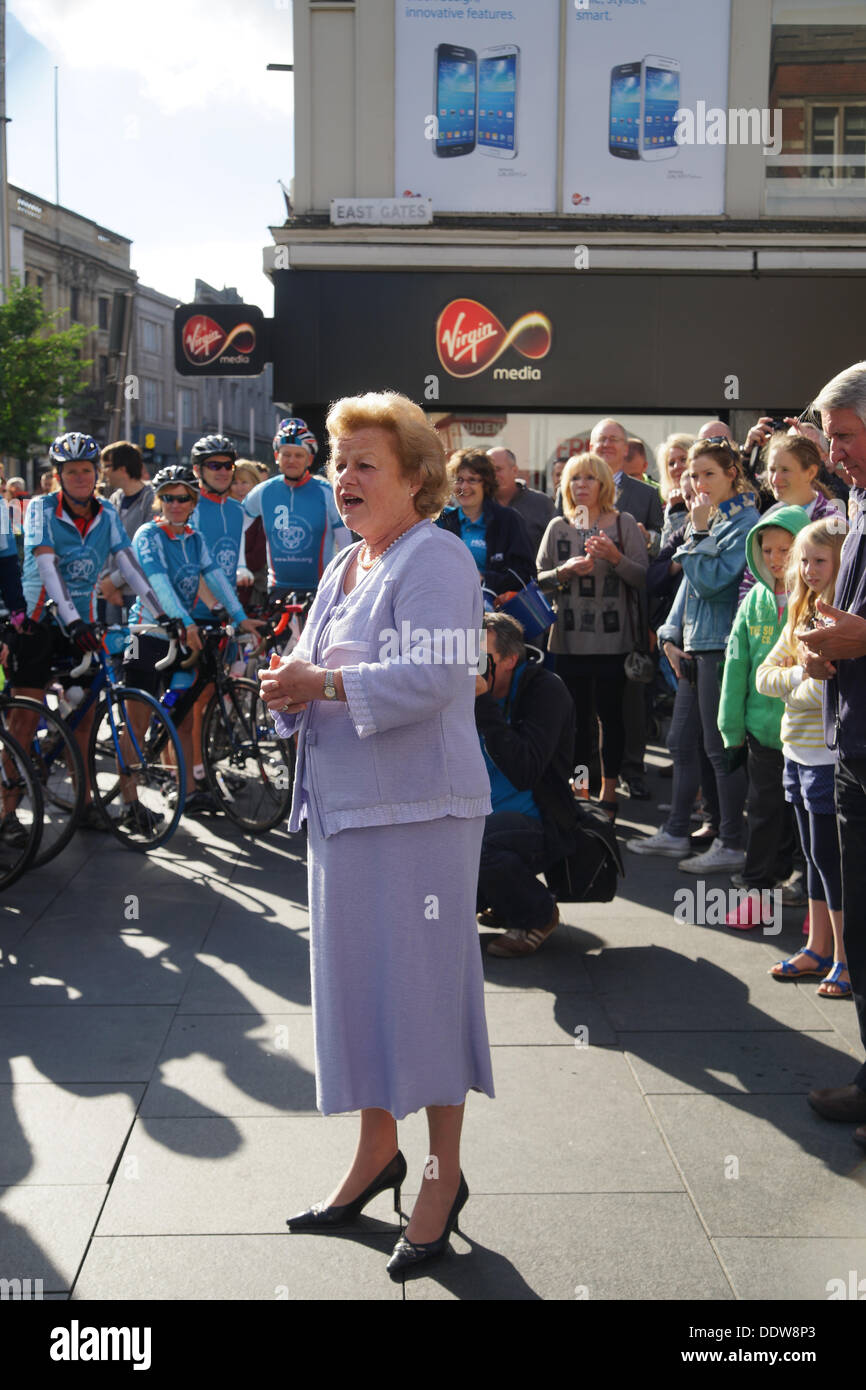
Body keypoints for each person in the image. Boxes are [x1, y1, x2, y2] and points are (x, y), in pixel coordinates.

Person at [260, 390, 494, 1278]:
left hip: (420, 816)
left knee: (423, 998)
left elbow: (438, 676)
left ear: (413, 477)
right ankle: (373, 1159)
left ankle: (440, 1176)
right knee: (361, 994)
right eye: (338, 462)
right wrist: (292, 684)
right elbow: (324, 669)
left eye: (364, 464)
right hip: (348, 812)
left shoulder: (433, 557)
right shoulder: (348, 560)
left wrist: (317, 683)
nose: (343, 479)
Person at [7, 432, 175, 836]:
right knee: (23, 720)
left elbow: (129, 564)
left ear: (96, 472)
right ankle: (6, 811)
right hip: (38, 624)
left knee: (83, 718)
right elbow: (47, 570)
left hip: (79, 624)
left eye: (86, 470)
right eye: (71, 471)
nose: (80, 477)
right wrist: (74, 622)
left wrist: (164, 615)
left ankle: (84, 805)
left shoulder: (107, 513)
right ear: (58, 475)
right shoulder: (40, 510)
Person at [627, 438, 760, 871]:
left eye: (709, 475)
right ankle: (679, 832)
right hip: (694, 644)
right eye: (694, 475)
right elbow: (687, 586)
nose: (699, 483)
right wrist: (668, 635)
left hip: (720, 648)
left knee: (719, 749)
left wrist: (698, 531)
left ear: (731, 476)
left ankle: (733, 843)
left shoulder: (743, 522)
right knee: (681, 743)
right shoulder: (712, 518)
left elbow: (711, 582)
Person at [794, 361, 866, 1149]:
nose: (835, 454)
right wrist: (827, 651)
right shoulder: (855, 503)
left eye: (843, 437)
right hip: (851, 740)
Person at [124, 465, 260, 817]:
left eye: (183, 497)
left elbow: (215, 577)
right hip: (148, 633)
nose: (176, 504)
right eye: (168, 497)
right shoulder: (148, 535)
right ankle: (129, 801)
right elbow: (159, 584)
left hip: (180, 635)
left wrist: (240, 617)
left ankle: (186, 790)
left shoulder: (194, 538)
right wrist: (186, 622)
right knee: (136, 722)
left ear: (193, 500)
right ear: (159, 500)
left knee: (183, 717)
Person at [754, 519, 848, 994]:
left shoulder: (841, 617)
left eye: (820, 561)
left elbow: (826, 689)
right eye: (804, 561)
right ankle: (818, 945)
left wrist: (800, 679)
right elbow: (765, 675)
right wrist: (797, 676)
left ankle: (847, 958)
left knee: (833, 860)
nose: (810, 570)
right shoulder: (801, 609)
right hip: (796, 750)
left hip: (828, 757)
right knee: (811, 856)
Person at [536, 452, 648, 821]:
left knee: (610, 717)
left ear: (603, 485)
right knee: (576, 719)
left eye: (588, 478)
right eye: (574, 478)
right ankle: (580, 788)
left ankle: (609, 790)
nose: (580, 485)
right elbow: (540, 581)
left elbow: (643, 578)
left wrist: (615, 557)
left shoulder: (623, 523)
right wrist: (564, 571)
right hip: (568, 639)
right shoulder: (558, 527)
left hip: (612, 641)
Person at [718, 507, 811, 926]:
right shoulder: (754, 599)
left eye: (785, 549)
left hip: (809, 734)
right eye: (767, 549)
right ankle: (756, 893)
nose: (776, 558)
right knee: (763, 813)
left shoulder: (815, 598)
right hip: (763, 734)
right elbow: (736, 664)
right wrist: (731, 726)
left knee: (810, 820)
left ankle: (818, 901)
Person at [474, 612, 575, 956]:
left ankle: (538, 913)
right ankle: (497, 897)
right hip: (478, 811)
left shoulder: (545, 691)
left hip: (538, 821)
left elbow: (525, 770)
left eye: (480, 657)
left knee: (476, 844)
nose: (470, 666)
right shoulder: (461, 693)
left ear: (510, 659)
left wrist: (482, 703)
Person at [589, 418, 662, 801]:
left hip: (628, 610)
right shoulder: (573, 488)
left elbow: (660, 548)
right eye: (600, 440)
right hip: (583, 616)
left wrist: (645, 540)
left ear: (626, 447)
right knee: (585, 706)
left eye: (613, 440)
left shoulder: (645, 494)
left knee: (628, 703)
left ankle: (631, 771)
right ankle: (588, 778)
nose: (606, 446)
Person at [243, 417, 351, 599]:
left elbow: (346, 544)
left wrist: (340, 584)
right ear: (277, 457)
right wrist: (240, 566)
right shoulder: (263, 491)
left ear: (309, 459)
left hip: (320, 590)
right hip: (277, 590)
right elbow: (236, 527)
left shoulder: (327, 492)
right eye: (286, 454)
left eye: (299, 455)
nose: (291, 460)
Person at [737, 434, 843, 604]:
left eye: (785, 470)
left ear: (810, 472)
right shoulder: (769, 516)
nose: (775, 479)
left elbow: (838, 581)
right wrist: (747, 622)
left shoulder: (832, 521)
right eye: (772, 470)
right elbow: (751, 578)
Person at [437, 448, 535, 596]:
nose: (464, 487)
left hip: (495, 614)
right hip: (452, 608)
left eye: (472, 480)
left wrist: (483, 579)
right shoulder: (443, 521)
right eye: (459, 479)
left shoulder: (508, 520)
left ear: (486, 483)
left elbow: (526, 573)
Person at [100, 441, 155, 625]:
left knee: (137, 650)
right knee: (114, 648)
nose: (103, 471)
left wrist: (113, 582)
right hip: (113, 592)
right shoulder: (115, 499)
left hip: (140, 593)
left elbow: (145, 549)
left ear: (122, 469)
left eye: (107, 466)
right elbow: (104, 542)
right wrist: (107, 581)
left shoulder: (152, 500)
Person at [488, 446, 555, 553]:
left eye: (498, 469)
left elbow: (554, 549)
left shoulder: (542, 503)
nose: (493, 475)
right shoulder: (480, 505)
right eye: (488, 470)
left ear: (514, 471)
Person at [657, 433, 695, 548]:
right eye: (671, 463)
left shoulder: (705, 497)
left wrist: (677, 511)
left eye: (683, 459)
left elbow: (687, 548)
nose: (677, 467)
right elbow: (665, 550)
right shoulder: (671, 501)